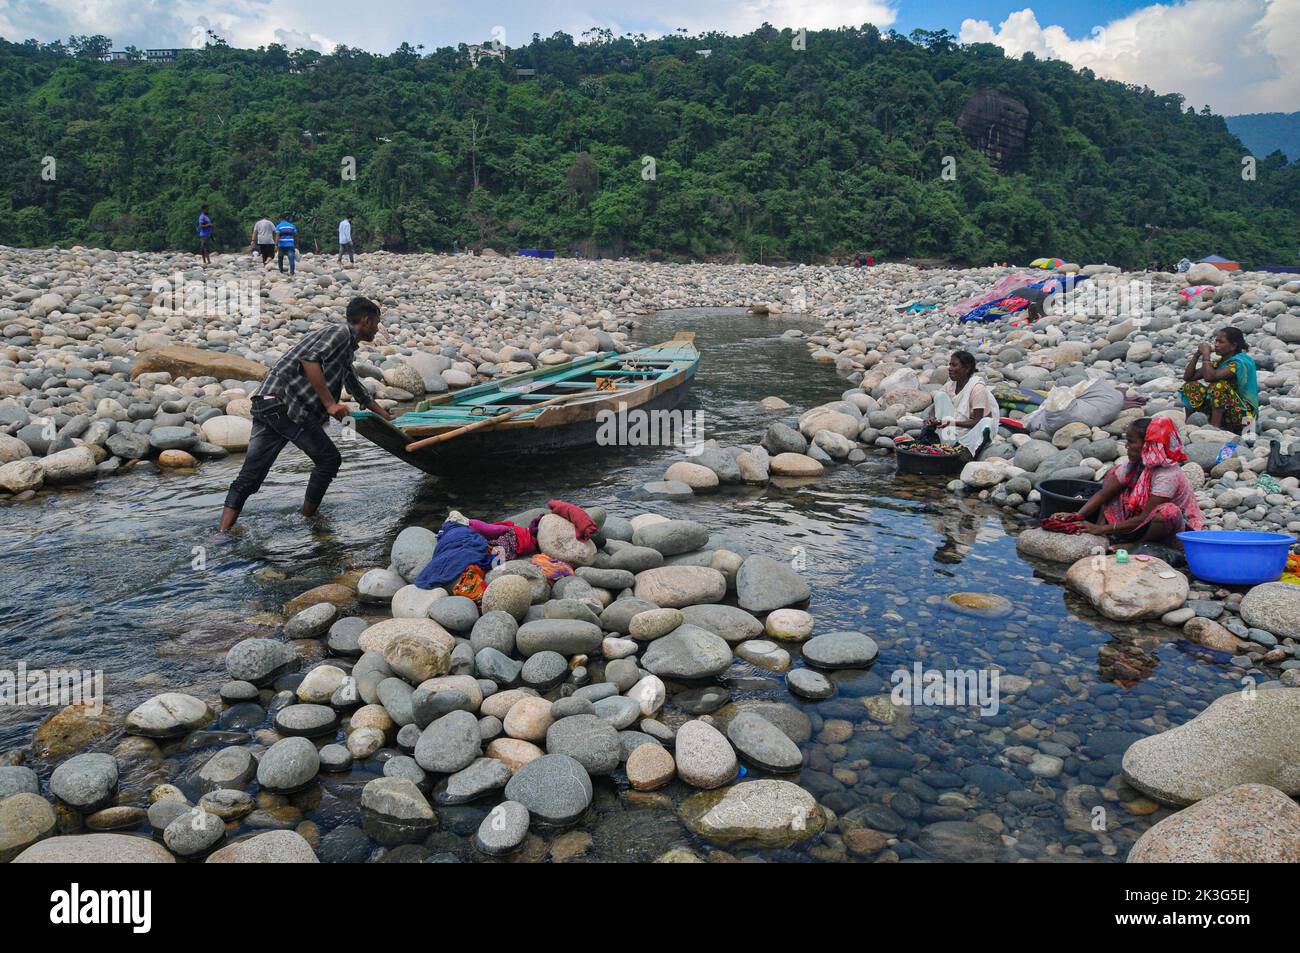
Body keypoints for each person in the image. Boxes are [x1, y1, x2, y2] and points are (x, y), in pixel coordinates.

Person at [218, 296, 394, 531]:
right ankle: (307, 519)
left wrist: (385, 416)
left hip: (268, 403)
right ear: (366, 320)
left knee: (250, 477)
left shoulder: (345, 350)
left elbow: (355, 387)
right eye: (376, 322)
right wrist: (331, 404)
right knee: (329, 460)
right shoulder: (340, 332)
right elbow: (309, 360)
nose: (376, 328)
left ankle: (222, 533)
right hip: (287, 406)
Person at [1056, 417, 1203, 546]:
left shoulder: (1167, 475)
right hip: (1141, 520)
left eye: (1131, 442)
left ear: (1148, 445)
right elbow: (1104, 494)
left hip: (1172, 528)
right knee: (1114, 475)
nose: (1126, 446)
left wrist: (1100, 529)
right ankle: (1105, 532)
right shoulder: (1135, 465)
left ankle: (1139, 544)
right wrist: (1078, 515)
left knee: (1166, 512)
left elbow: (1147, 516)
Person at [1179, 327, 1257, 434]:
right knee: (1190, 386)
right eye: (1216, 341)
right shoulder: (1220, 363)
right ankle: (1189, 424)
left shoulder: (1239, 363)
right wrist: (1197, 355)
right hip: (1227, 413)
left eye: (1221, 342)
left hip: (1244, 417)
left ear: (1233, 346)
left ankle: (1214, 428)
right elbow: (1188, 377)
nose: (1216, 345)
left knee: (1219, 385)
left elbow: (1211, 377)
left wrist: (1206, 356)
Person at [924, 351, 999, 455]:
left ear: (967, 368)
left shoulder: (977, 388)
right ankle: (948, 444)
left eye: (954, 365)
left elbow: (977, 421)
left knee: (986, 423)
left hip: (969, 433)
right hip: (950, 432)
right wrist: (931, 418)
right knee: (940, 396)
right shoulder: (949, 385)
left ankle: (966, 450)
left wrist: (953, 423)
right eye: (950, 364)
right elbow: (937, 405)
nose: (949, 368)